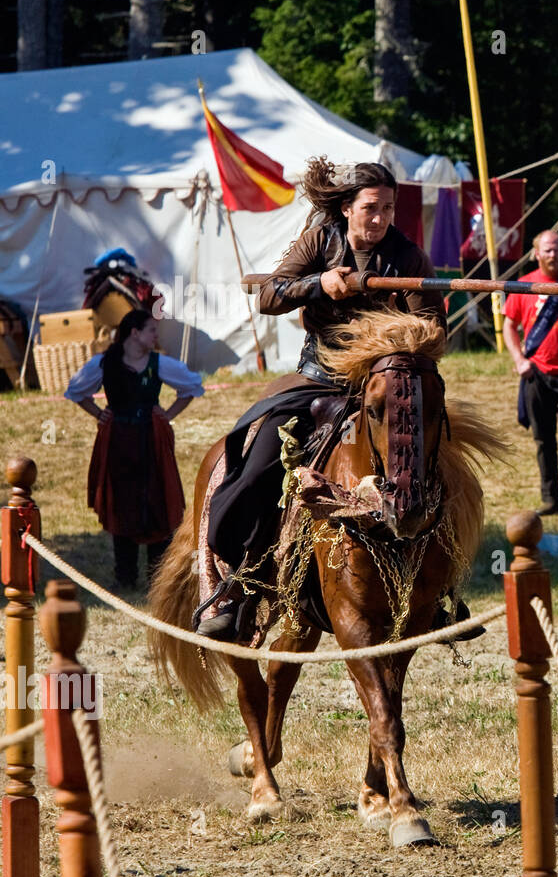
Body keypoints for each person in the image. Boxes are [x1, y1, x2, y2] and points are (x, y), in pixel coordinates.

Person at [198, 158, 443, 639]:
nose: (380, 219)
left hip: (382, 384)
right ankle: (241, 584)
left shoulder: (410, 258)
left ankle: (440, 589)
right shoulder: (320, 241)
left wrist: (400, 330)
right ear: (348, 209)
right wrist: (319, 284)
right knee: (256, 466)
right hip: (319, 379)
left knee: (437, 463)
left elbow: (435, 329)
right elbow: (269, 296)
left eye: (389, 209)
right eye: (371, 208)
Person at [65, 309, 204, 589]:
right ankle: (125, 576)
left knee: (157, 498)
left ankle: (157, 576)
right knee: (122, 502)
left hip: (151, 440)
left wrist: (168, 414)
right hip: (118, 441)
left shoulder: (158, 363)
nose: (156, 335)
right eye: (151, 330)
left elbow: (191, 386)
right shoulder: (106, 362)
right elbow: (77, 390)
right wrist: (98, 413)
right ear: (134, 333)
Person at [503, 229, 558, 515]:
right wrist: (519, 360)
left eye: (557, 248)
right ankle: (551, 499)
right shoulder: (523, 285)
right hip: (536, 375)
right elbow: (509, 326)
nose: (552, 254)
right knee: (543, 440)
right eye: (547, 250)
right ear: (537, 253)